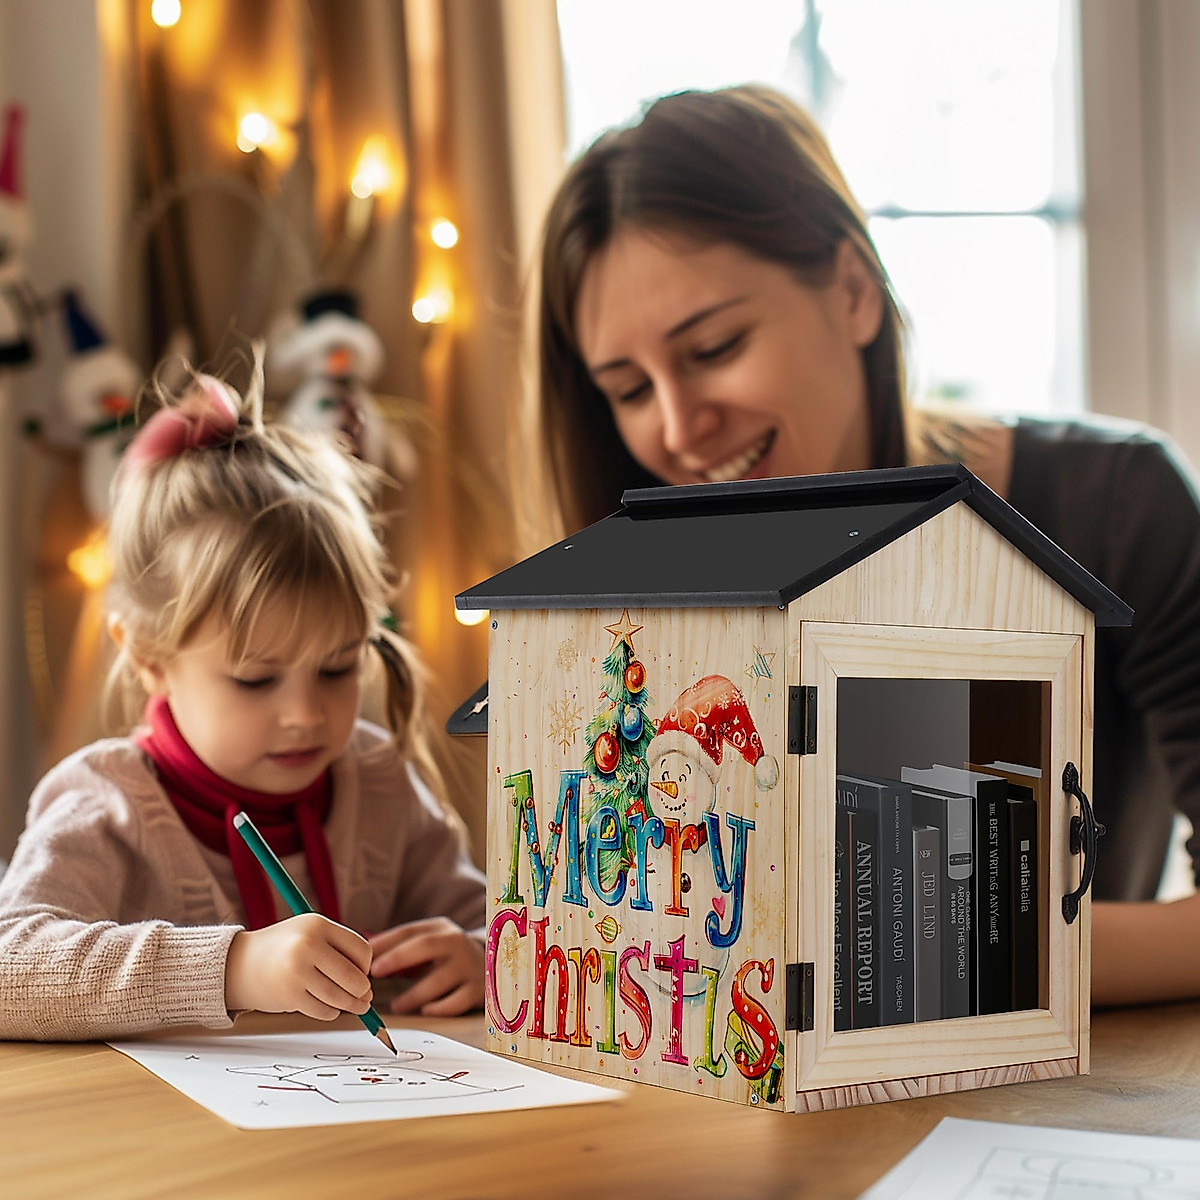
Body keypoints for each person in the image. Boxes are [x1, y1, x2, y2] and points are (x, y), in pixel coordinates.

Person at [523, 83, 1200, 1008]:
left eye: (715, 346)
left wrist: (895, 944)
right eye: (630, 390)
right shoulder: (647, 631)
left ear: (851, 292)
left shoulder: (1119, 507)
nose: (679, 429)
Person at [0, 357, 486, 1040]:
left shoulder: (376, 780)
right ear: (148, 656)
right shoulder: (103, 801)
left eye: (339, 668)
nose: (306, 715)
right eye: (256, 679)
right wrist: (234, 968)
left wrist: (482, 956)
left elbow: (497, 924)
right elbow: (10, 971)